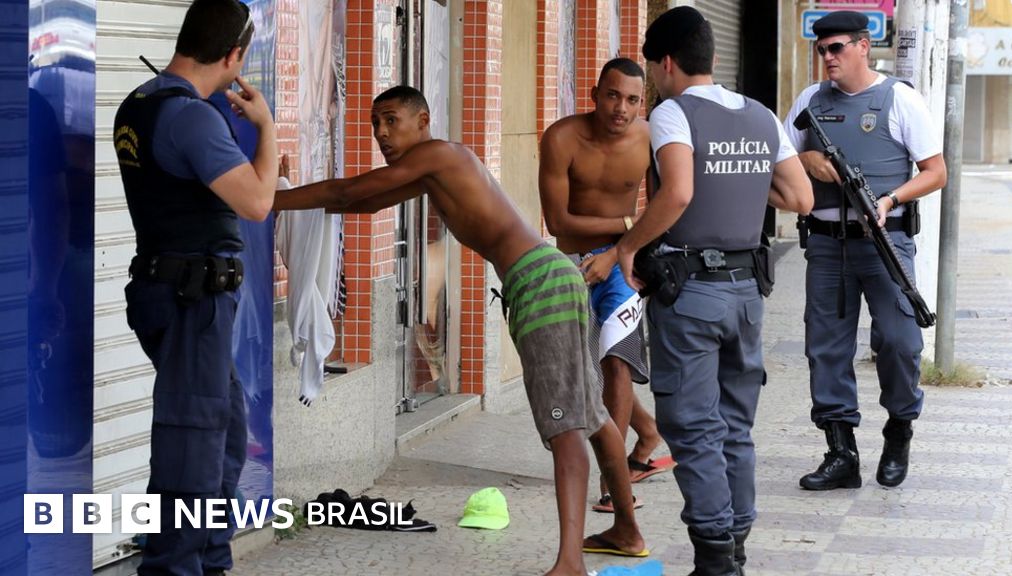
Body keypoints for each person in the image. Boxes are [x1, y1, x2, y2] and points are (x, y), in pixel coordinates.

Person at [272, 85, 646, 576]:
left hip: (540, 282)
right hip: (549, 278)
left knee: (565, 426)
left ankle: (570, 562)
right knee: (590, 415)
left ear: (422, 120)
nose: (381, 133)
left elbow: (348, 191)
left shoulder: (438, 155)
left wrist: (268, 199)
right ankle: (626, 531)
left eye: (391, 120)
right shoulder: (432, 169)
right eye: (374, 124)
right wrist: (286, 193)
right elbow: (360, 205)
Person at [609, 7, 813, 575]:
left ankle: (716, 556)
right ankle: (736, 541)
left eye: (652, 71)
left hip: (693, 292)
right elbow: (800, 198)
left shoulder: (674, 112)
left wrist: (627, 249)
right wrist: (743, 187)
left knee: (694, 426)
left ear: (665, 64)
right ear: (713, 57)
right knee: (734, 425)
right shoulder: (761, 114)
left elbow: (675, 195)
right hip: (748, 292)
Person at [112, 0, 278, 573]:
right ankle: (174, 565)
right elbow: (258, 202)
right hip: (192, 299)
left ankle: (208, 560)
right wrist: (266, 127)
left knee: (225, 431)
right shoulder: (191, 117)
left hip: (173, 291)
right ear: (234, 55)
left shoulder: (139, 104)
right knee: (192, 445)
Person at [782, 11, 947, 492]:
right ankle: (841, 453)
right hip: (828, 245)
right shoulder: (810, 100)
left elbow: (935, 171)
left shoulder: (898, 98)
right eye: (821, 50)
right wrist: (806, 159)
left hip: (886, 240)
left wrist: (892, 198)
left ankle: (899, 428)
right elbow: (780, 159)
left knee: (899, 341)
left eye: (836, 48)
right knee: (826, 347)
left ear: (862, 45)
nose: (827, 58)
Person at [539, 57, 669, 513]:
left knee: (616, 363)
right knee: (582, 373)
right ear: (595, 94)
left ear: (643, 103)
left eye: (633, 100)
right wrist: (631, 220)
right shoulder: (562, 138)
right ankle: (647, 431)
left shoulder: (651, 137)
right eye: (613, 96)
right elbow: (557, 220)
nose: (621, 108)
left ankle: (613, 483)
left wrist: (619, 248)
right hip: (571, 261)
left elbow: (664, 208)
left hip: (623, 261)